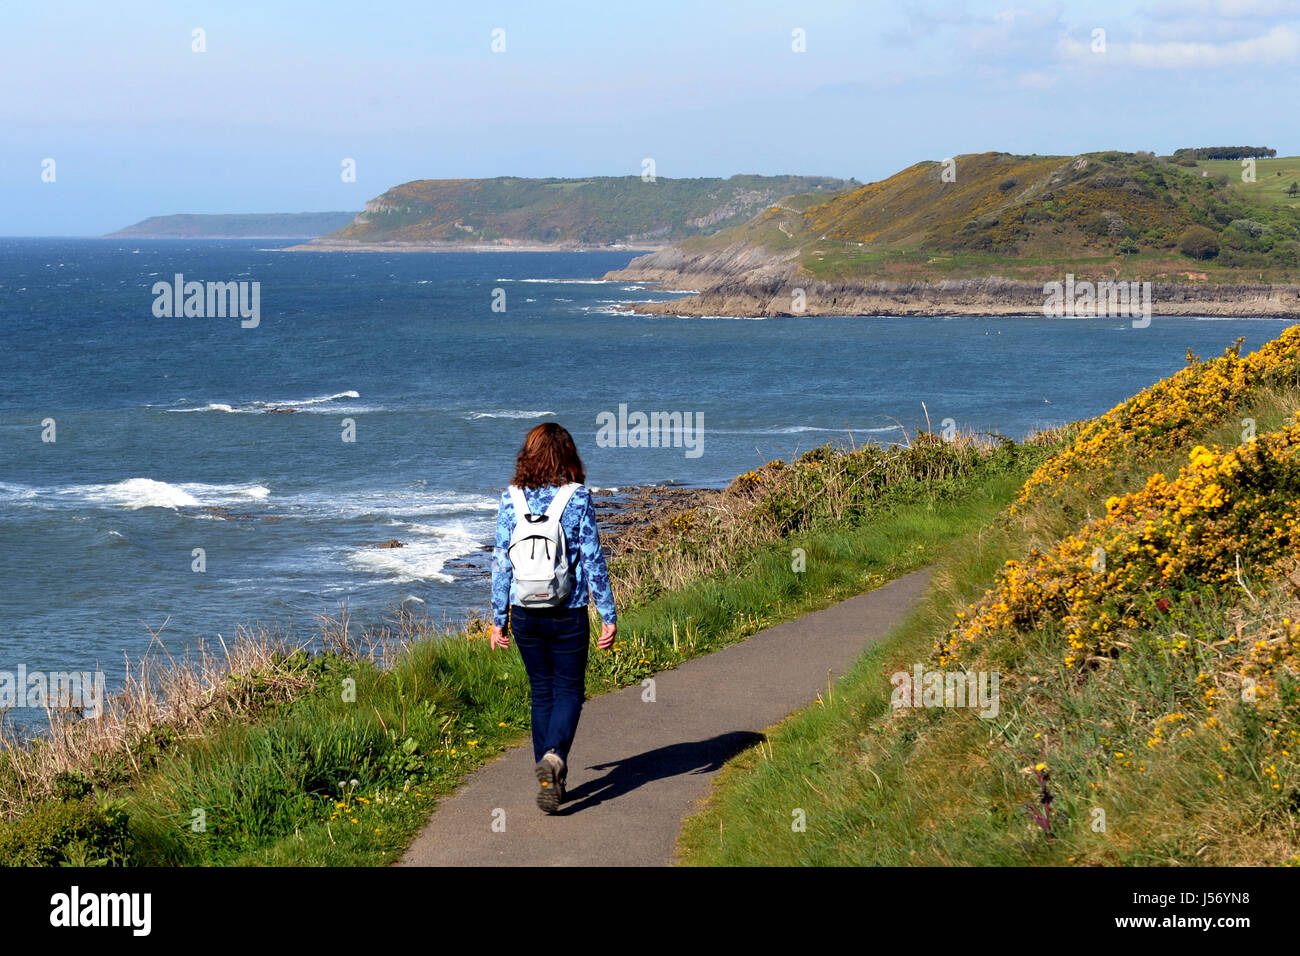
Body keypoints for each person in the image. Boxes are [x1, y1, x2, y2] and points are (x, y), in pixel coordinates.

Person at [489, 422, 618, 813]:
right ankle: (555, 759)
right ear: (567, 455)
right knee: (569, 691)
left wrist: (499, 618)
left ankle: (550, 777)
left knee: (541, 692)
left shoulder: (511, 499)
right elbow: (593, 558)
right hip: (569, 611)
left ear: (528, 455)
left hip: (525, 613)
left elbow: (500, 562)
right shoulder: (577, 498)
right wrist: (608, 613)